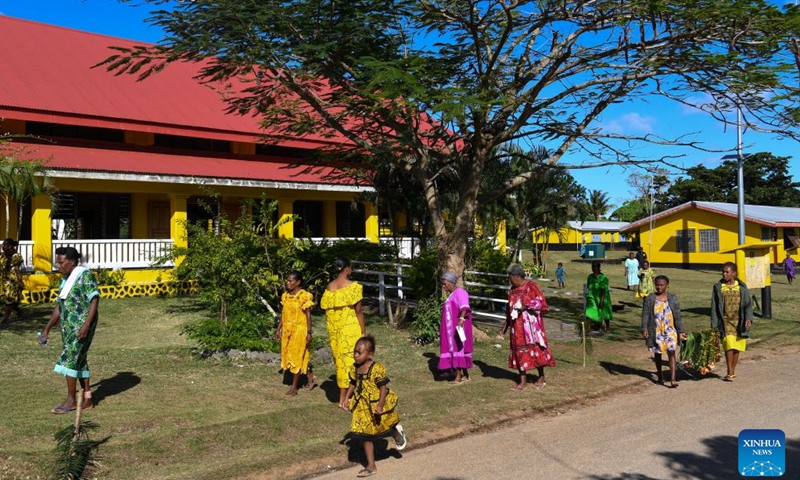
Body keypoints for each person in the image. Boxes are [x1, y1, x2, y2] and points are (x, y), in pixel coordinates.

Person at [40, 247, 100, 413]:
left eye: (61, 263)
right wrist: (47, 329)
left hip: (82, 326)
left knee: (69, 360)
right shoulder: (66, 279)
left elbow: (94, 299)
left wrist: (86, 325)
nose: (58, 266)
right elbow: (60, 306)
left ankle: (71, 400)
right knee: (79, 359)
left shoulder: (84, 275)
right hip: (68, 327)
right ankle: (88, 399)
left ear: (72, 262)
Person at [344, 335, 406, 477]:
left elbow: (383, 388)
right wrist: (346, 398)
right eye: (354, 352)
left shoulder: (376, 369)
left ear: (370, 354)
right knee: (365, 435)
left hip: (376, 404)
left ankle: (397, 435)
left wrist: (380, 405)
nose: (355, 355)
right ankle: (371, 466)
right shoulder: (355, 368)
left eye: (359, 352)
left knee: (385, 427)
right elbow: (353, 383)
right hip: (362, 406)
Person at [320, 258, 366, 409]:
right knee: (353, 364)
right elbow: (359, 312)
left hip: (335, 332)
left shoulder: (329, 287)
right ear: (347, 269)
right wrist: (363, 332)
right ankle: (345, 399)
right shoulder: (353, 287)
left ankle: (342, 398)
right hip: (350, 330)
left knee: (340, 364)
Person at [502, 263, 555, 391]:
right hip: (516, 329)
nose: (509, 280)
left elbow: (542, 304)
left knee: (536, 351)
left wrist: (526, 306)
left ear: (516, 276)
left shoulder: (531, 287)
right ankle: (523, 380)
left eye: (510, 277)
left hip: (531, 329)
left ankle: (541, 376)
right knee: (519, 352)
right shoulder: (512, 290)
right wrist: (504, 326)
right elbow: (509, 311)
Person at [276, 270, 317, 396]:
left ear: (298, 282)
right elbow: (283, 314)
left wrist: (309, 333)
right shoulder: (285, 296)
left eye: (290, 281)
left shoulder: (304, 296)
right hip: (287, 331)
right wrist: (278, 329)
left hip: (300, 331)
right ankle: (310, 377)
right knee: (289, 356)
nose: (288, 283)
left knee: (297, 357)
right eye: (287, 280)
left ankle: (294, 388)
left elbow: (308, 317)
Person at [641, 275, 687, 388]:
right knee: (658, 353)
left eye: (662, 285)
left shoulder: (673, 298)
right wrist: (644, 328)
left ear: (667, 286)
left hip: (670, 329)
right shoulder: (650, 298)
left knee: (671, 351)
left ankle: (673, 379)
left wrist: (681, 330)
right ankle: (660, 376)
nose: (659, 287)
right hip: (656, 330)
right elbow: (645, 314)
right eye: (657, 285)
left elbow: (678, 316)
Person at [711, 262, 753, 382]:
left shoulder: (742, 287)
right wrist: (714, 325)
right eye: (723, 271)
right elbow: (714, 306)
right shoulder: (718, 287)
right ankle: (730, 372)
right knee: (728, 345)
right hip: (725, 321)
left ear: (734, 273)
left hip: (739, 322)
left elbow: (748, 305)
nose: (724, 274)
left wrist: (748, 318)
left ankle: (732, 371)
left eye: (727, 272)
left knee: (736, 348)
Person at [438, 272, 473, 384]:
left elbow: (464, 307)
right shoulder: (452, 295)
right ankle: (466, 375)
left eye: (445, 283)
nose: (443, 286)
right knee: (459, 349)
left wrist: (461, 320)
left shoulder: (460, 292)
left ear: (451, 282)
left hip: (459, 326)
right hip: (451, 329)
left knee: (458, 349)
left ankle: (458, 377)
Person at [1, 238, 24, 324]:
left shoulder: (15, 256)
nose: (2, 246)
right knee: (5, 299)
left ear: (10, 246)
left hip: (11, 281)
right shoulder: (2, 255)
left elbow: (17, 270)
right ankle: (19, 311)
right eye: (2, 245)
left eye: (4, 245)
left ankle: (5, 318)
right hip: (3, 280)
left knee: (9, 299)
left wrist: (20, 281)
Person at [585, 261, 613, 333]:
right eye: (592, 267)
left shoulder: (603, 277)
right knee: (589, 310)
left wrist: (602, 300)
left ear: (599, 267)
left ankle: (607, 327)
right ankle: (588, 327)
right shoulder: (590, 277)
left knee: (604, 312)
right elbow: (589, 286)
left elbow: (603, 289)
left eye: (595, 267)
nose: (594, 268)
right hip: (592, 296)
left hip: (602, 297)